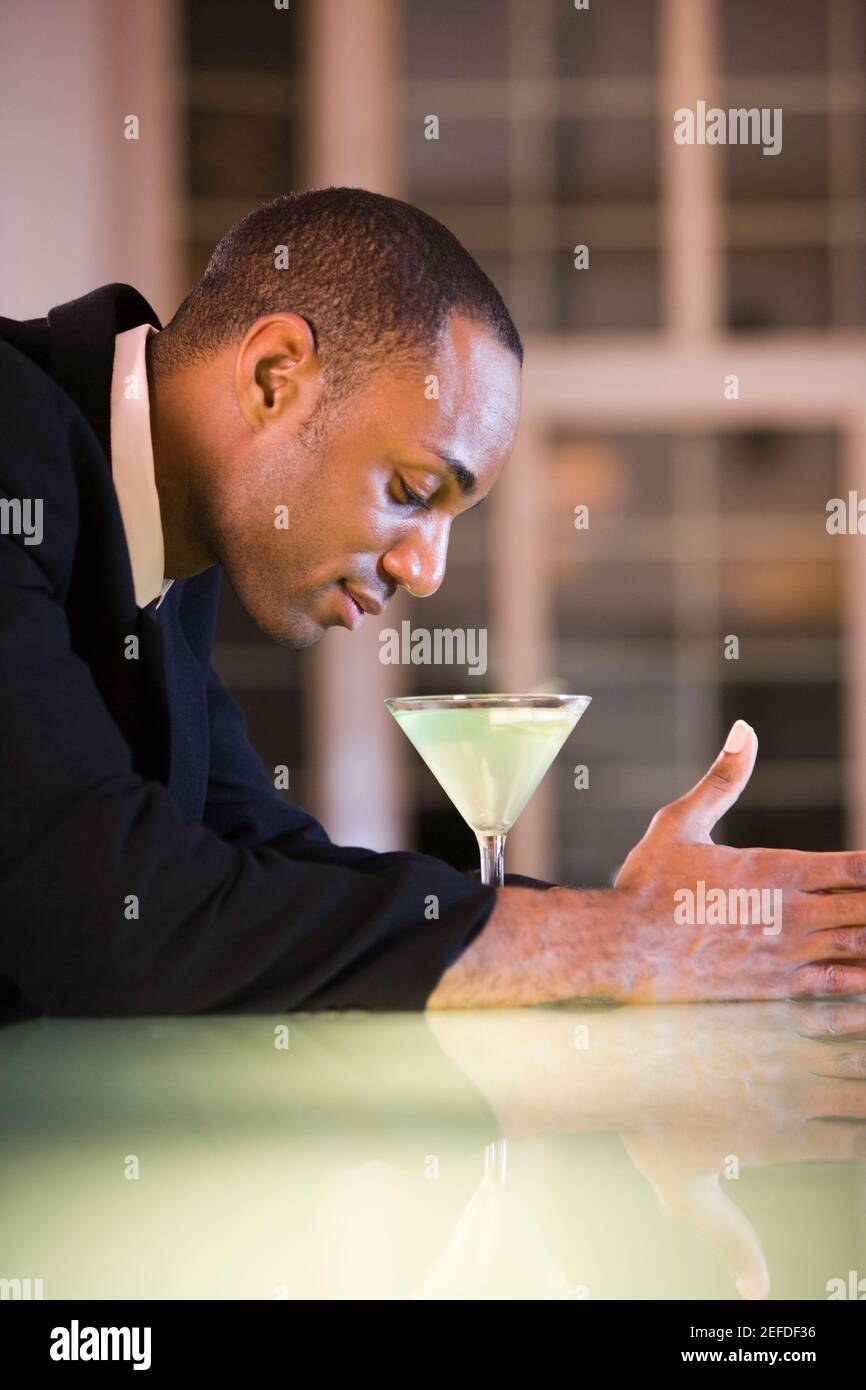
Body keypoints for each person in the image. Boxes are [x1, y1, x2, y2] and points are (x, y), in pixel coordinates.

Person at [1, 187, 864, 1021]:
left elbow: (261, 863)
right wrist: (622, 940)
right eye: (414, 490)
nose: (426, 573)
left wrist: (627, 914)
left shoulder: (164, 553)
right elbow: (112, 914)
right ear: (273, 377)